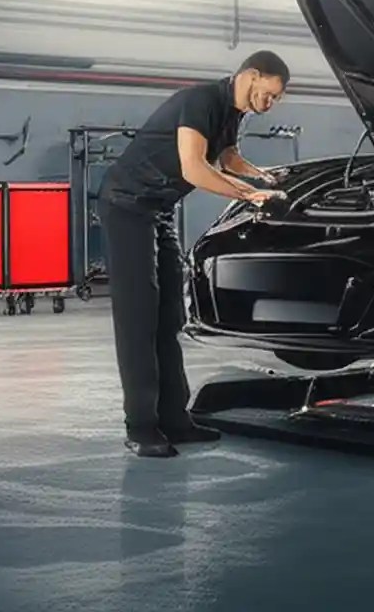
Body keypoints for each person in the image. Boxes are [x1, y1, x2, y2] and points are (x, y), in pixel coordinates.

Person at [97, 51, 290, 457]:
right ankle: (141, 426)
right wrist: (250, 194)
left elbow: (226, 157)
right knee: (138, 316)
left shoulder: (232, 112)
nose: (270, 104)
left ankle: (174, 419)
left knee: (170, 314)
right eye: (269, 94)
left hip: (158, 211)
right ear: (252, 75)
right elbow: (194, 168)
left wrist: (261, 175)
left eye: (276, 100)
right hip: (127, 205)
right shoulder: (200, 100)